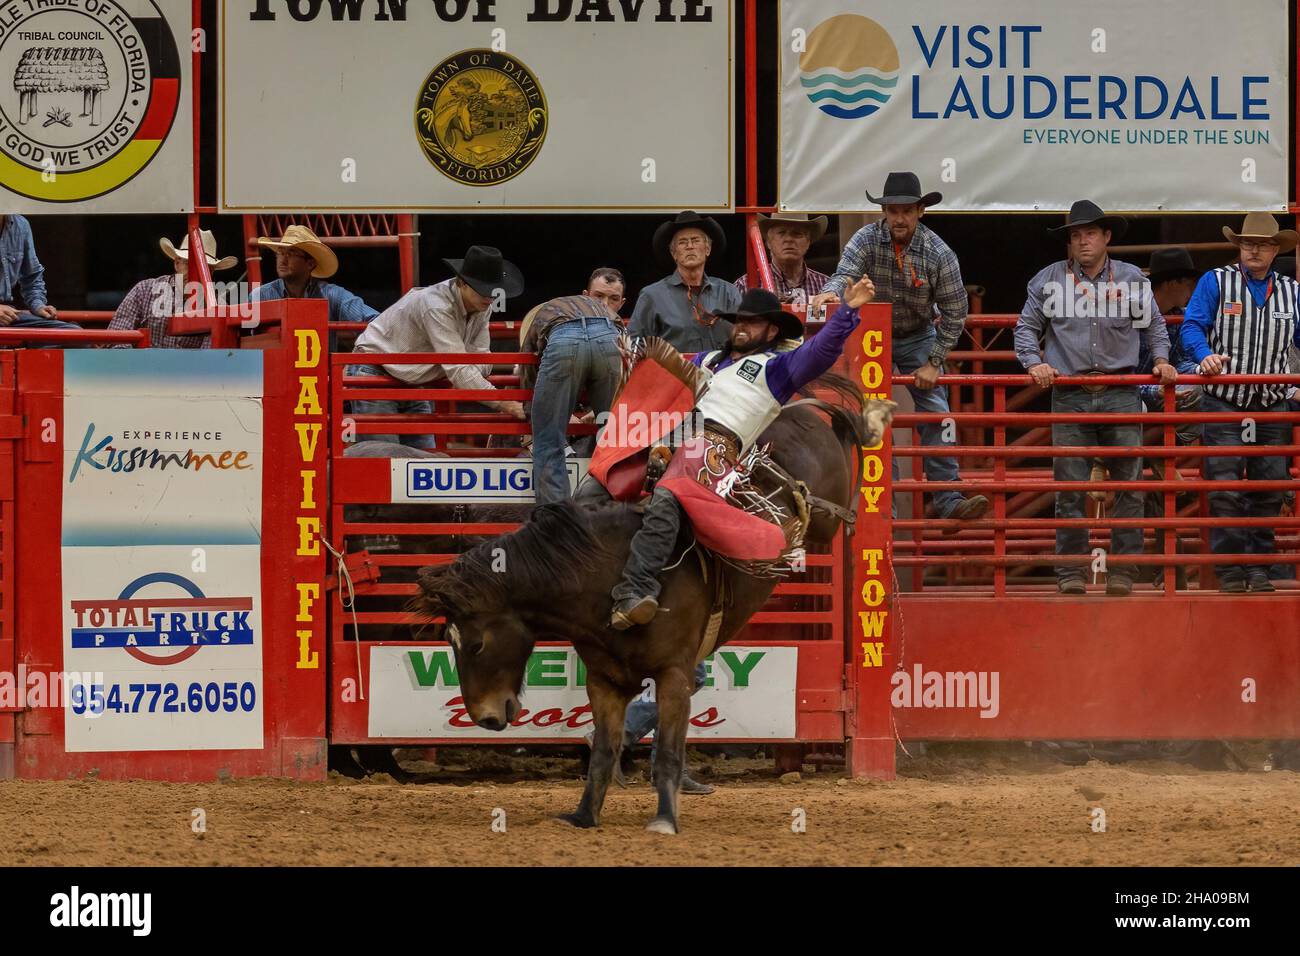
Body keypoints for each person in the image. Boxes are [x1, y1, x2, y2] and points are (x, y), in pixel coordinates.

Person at [610, 279, 877, 626]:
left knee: (667, 497)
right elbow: (660, 379)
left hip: (716, 447)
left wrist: (848, 311)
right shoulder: (707, 360)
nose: (741, 327)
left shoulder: (776, 369)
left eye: (751, 322)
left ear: (771, 330)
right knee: (603, 478)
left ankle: (635, 589)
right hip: (668, 435)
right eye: (739, 321)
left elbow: (821, 351)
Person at [1015, 200, 1175, 596]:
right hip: (1069, 391)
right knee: (1069, 489)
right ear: (1069, 242)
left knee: (1129, 487)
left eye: (1089, 234)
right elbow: (1025, 329)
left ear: (1106, 238)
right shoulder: (1049, 280)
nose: (1082, 241)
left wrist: (1161, 359)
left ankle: (1123, 571)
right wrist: (1034, 362)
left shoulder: (1132, 279)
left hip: (1121, 391)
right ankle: (1070, 573)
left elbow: (1155, 328)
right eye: (1075, 235)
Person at [811, 172, 987, 524]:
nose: (900, 218)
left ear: (920, 211)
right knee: (875, 412)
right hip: (871, 333)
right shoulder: (866, 239)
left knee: (936, 408)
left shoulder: (938, 253)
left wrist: (935, 361)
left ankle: (948, 496)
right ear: (885, 212)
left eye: (907, 210)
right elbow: (844, 272)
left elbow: (956, 311)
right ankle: (882, 501)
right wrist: (831, 290)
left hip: (918, 333)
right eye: (893, 211)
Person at [1180, 212, 1300, 593]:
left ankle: (1259, 569)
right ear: (1239, 247)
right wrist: (1204, 355)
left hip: (1272, 402)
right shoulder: (1215, 281)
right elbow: (1192, 326)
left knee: (1269, 488)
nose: (1254, 249)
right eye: (1248, 243)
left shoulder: (1293, 291)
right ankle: (1231, 571)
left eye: (1262, 244)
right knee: (1224, 488)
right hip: (1224, 400)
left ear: (1275, 249)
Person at [350, 245, 526, 451]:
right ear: (462, 284)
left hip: (411, 379)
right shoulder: (436, 305)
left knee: (424, 460)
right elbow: (461, 368)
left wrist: (464, 374)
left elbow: (480, 361)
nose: (489, 298)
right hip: (375, 373)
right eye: (482, 290)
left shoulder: (481, 306)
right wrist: (504, 403)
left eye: (492, 292)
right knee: (384, 459)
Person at [522, 284, 625, 506]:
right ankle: (613, 512)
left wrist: (530, 412)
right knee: (616, 436)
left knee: (548, 441)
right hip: (609, 336)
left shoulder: (545, 311)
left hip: (563, 338)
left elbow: (527, 367)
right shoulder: (607, 311)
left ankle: (556, 522)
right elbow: (627, 359)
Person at [1136, 247, 1202, 588]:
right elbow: (1116, 370)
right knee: (1154, 493)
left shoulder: (1180, 315)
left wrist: (1188, 377)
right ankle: (1161, 572)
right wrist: (1160, 391)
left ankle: (1164, 572)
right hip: (1129, 411)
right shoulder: (1129, 312)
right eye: (1187, 281)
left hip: (1158, 419)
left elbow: (1183, 360)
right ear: (1173, 283)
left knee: (1159, 494)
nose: (1191, 288)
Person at [629, 211, 740, 352]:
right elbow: (635, 345)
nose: (689, 246)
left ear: (708, 249)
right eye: (682, 242)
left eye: (695, 240)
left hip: (722, 372)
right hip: (672, 373)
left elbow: (745, 337)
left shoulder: (729, 292)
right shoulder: (652, 295)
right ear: (673, 253)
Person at [252, 225, 378, 350]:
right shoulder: (259, 295)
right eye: (280, 253)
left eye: (291, 254)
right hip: (273, 368)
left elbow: (377, 322)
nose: (283, 260)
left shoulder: (332, 295)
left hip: (319, 369)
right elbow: (243, 338)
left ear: (310, 263)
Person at [107, 229, 239, 348]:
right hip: (142, 371)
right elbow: (117, 339)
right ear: (177, 264)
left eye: (202, 268)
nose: (194, 273)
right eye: (189, 264)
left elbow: (208, 360)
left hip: (188, 374)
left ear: (210, 273)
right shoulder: (145, 290)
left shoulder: (218, 308)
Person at [0, 213, 81, 340]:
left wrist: (38, 305)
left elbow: (32, 277)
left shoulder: (21, 225)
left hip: (8, 315)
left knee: (74, 335)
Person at [734, 212, 831, 304]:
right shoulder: (745, 285)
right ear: (768, 242)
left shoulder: (826, 286)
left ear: (808, 242)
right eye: (781, 232)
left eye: (797, 233)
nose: (788, 239)